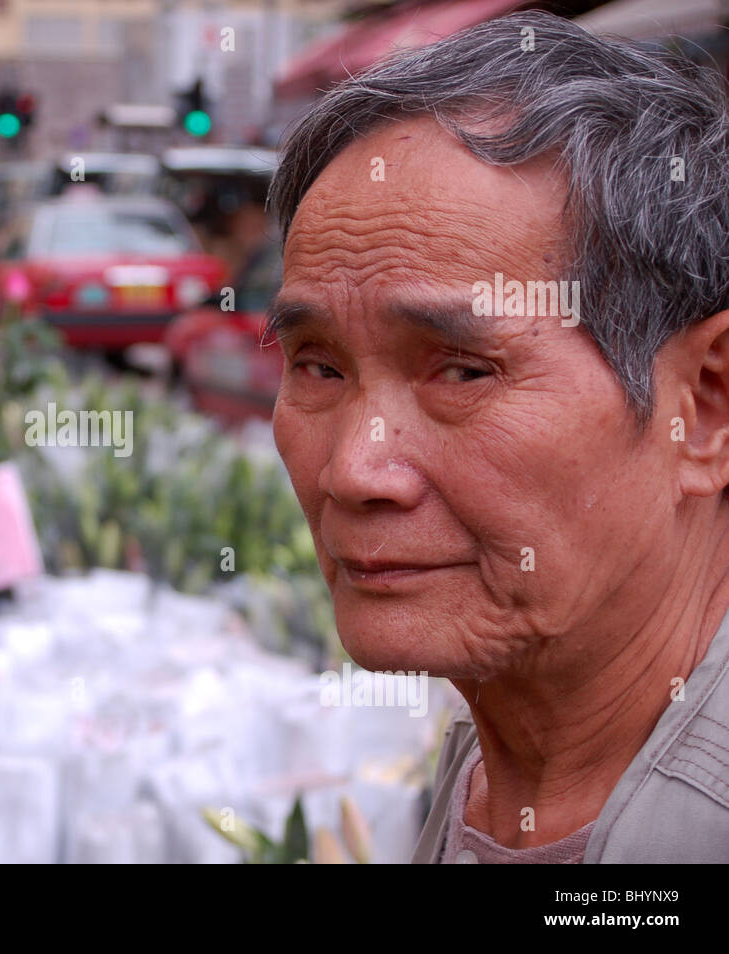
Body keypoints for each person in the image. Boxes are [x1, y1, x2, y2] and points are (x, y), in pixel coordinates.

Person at [268, 11, 729, 862]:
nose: (353, 471)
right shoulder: (503, 749)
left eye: (462, 372)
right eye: (319, 368)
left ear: (702, 405)